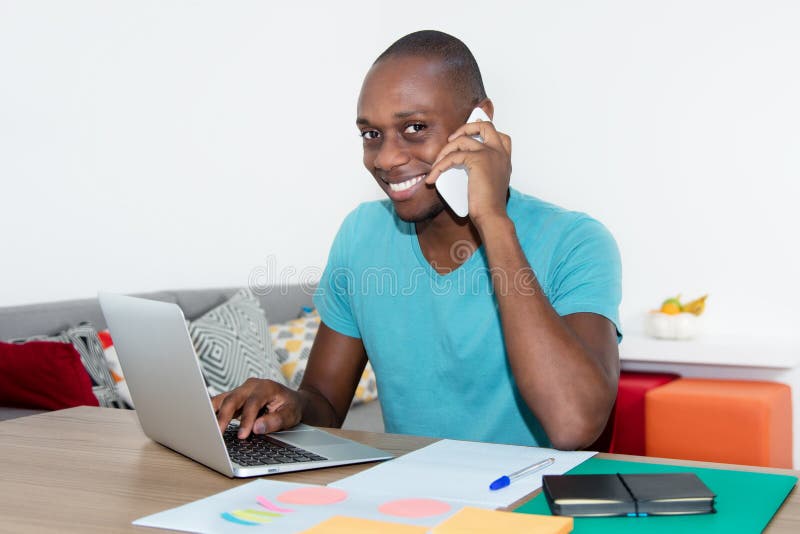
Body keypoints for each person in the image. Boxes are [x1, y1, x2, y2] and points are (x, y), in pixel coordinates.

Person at [213, 30, 622, 450]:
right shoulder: (361, 236)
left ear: (478, 122)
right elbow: (324, 403)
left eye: (414, 128)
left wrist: (493, 220)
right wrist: (288, 404)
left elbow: (573, 424)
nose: (386, 158)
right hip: (411, 505)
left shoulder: (576, 242)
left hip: (530, 507)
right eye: (371, 135)